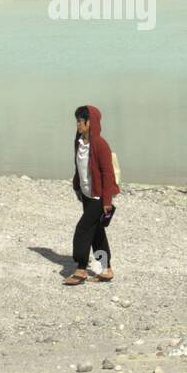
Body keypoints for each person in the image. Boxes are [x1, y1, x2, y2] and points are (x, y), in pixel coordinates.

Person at [65, 104, 119, 285]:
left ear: (90, 122)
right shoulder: (79, 142)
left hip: (99, 197)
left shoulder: (100, 144)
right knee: (96, 233)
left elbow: (108, 174)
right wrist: (77, 187)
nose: (78, 124)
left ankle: (81, 269)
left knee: (82, 230)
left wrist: (107, 201)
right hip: (87, 195)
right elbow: (78, 168)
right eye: (77, 121)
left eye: (81, 121)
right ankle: (106, 269)